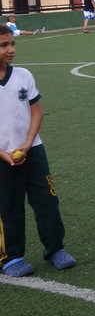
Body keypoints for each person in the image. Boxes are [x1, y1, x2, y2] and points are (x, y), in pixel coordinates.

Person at [0, 24, 75, 277]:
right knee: (8, 207)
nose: (11, 49)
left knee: (47, 201)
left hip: (33, 150)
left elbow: (36, 111)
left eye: (12, 44)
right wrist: (4, 153)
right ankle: (11, 257)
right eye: (4, 45)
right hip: (2, 157)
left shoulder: (23, 75)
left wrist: (28, 143)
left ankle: (55, 249)